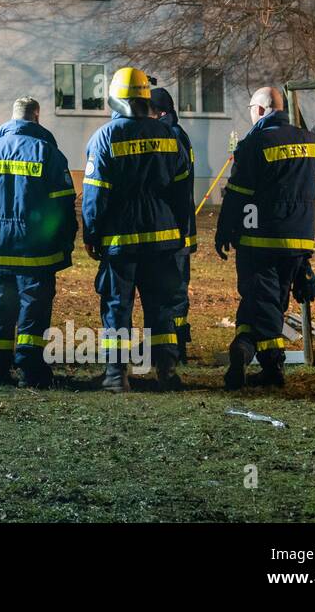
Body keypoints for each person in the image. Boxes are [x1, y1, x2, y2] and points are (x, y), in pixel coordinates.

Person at [215, 87, 315, 389]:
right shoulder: (308, 141)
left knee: (264, 302)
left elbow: (237, 195)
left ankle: (258, 359)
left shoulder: (253, 144)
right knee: (267, 303)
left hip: (258, 240)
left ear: (259, 110)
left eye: (250, 109)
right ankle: (255, 357)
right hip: (297, 243)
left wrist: (225, 230)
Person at [82, 68, 192, 392]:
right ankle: (167, 371)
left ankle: (117, 376)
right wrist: (179, 230)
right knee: (162, 308)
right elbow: (183, 191)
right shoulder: (170, 136)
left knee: (118, 306)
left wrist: (91, 233)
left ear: (116, 99)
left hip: (121, 239)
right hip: (163, 238)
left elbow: (95, 194)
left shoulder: (105, 138)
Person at [0, 97, 77, 388]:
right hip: (35, 252)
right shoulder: (48, 153)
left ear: (12, 118)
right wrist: (63, 240)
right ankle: (31, 370)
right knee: (33, 310)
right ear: (36, 117)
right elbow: (64, 205)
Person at [148, 82, 197, 363]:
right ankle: (175, 348)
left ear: (159, 112)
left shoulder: (170, 136)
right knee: (175, 290)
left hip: (173, 229)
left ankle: (174, 350)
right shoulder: (181, 134)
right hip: (182, 227)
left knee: (172, 292)